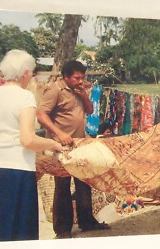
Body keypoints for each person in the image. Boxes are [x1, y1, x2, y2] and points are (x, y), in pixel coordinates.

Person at [0, 49, 63, 243]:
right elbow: (27, 139)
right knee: (17, 231)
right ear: (25, 73)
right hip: (16, 170)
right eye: (32, 73)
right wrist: (52, 142)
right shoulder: (25, 97)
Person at [36, 60, 110, 239]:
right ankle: (62, 229)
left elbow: (90, 110)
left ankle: (87, 221)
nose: (80, 81)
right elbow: (40, 114)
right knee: (62, 186)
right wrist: (59, 133)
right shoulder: (54, 90)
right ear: (66, 76)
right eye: (76, 78)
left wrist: (84, 95)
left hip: (79, 143)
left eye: (82, 77)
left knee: (84, 182)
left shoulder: (79, 89)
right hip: (60, 146)